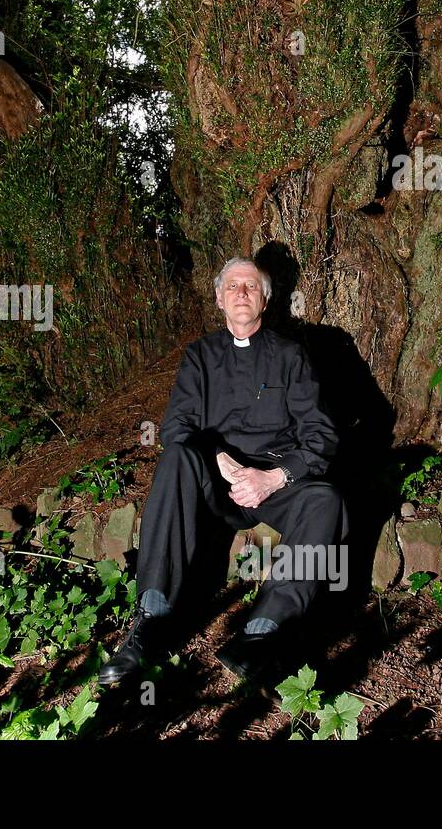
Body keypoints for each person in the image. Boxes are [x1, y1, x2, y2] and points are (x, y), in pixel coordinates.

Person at [97, 257, 348, 687]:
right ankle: (150, 622)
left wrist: (274, 477)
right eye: (233, 286)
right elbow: (176, 427)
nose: (242, 294)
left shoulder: (290, 356)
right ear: (218, 298)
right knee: (176, 457)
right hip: (220, 479)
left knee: (327, 500)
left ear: (266, 299)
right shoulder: (199, 357)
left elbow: (321, 435)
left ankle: (262, 634)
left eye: (251, 286)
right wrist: (217, 458)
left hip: (275, 480)